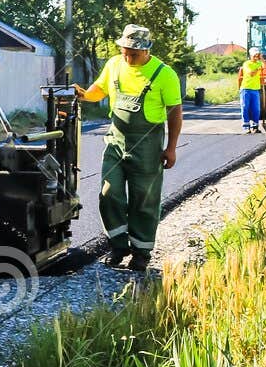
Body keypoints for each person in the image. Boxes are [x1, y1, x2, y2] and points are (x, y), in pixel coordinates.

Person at [73, 25, 184, 272]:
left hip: (147, 147)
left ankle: (141, 252)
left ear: (146, 51)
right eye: (124, 51)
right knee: (108, 193)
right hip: (116, 141)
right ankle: (118, 245)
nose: (127, 57)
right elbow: (97, 91)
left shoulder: (164, 75)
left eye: (133, 53)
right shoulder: (114, 64)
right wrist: (81, 94)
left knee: (143, 200)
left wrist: (171, 148)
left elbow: (175, 113)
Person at [238, 47, 264, 133]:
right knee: (245, 107)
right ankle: (246, 126)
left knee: (256, 109)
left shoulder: (260, 63)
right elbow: (251, 74)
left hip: (255, 89)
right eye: (255, 56)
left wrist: (262, 59)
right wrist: (258, 68)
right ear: (251, 56)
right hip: (246, 89)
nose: (256, 57)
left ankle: (255, 126)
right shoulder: (247, 64)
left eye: (257, 55)